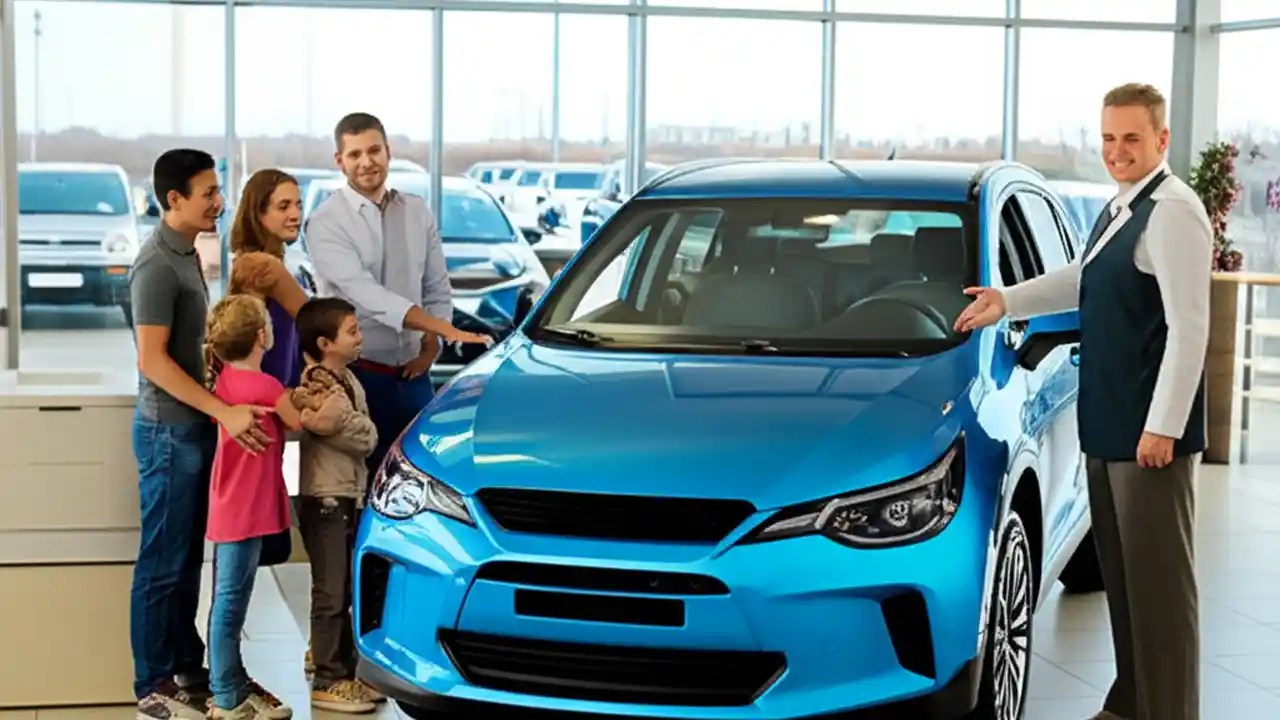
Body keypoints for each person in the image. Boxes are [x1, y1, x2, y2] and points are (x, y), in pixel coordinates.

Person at [954, 82, 1210, 720]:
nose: (1116, 150)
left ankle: (1170, 710)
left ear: (1161, 139)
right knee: (1125, 587)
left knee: (1160, 595)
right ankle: (1131, 703)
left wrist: (1164, 429)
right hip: (1110, 423)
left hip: (1149, 437)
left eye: (1130, 138)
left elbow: (1191, 328)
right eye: (1107, 138)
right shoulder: (1125, 205)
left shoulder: (1173, 210)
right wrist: (1007, 301)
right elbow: (1085, 277)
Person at [128, 148, 272, 720]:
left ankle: (189, 667)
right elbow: (152, 361)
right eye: (209, 192)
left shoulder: (189, 255)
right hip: (168, 435)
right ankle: (151, 686)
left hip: (193, 428)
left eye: (218, 190)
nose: (219, 202)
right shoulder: (156, 265)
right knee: (162, 563)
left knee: (187, 559)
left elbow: (189, 350)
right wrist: (225, 410)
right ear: (174, 200)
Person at [306, 111, 491, 476]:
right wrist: (446, 331)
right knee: (363, 486)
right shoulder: (325, 222)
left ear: (388, 152)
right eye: (355, 154)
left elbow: (437, 286)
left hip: (415, 378)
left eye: (374, 150)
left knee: (424, 480)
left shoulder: (417, 212)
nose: (366, 162)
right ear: (339, 161)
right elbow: (367, 295)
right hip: (358, 380)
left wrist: (433, 345)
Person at [203, 294, 337, 720]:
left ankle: (229, 685)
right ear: (263, 336)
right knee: (230, 604)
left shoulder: (224, 382)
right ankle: (226, 697)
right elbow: (297, 421)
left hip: (228, 504)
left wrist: (292, 396)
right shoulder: (264, 387)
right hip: (249, 508)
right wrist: (321, 398)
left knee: (226, 599)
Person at [290, 297, 381, 713]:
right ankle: (329, 675)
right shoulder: (319, 383)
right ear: (326, 342)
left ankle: (343, 667)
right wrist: (362, 429)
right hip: (326, 497)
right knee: (330, 589)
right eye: (352, 331)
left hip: (345, 493)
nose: (360, 337)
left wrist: (354, 423)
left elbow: (346, 425)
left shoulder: (343, 380)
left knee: (343, 586)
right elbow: (339, 428)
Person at [226, 168, 312, 387]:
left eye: (298, 205)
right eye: (283, 207)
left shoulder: (252, 259)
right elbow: (318, 322)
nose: (295, 215)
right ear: (258, 214)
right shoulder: (262, 266)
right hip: (271, 398)